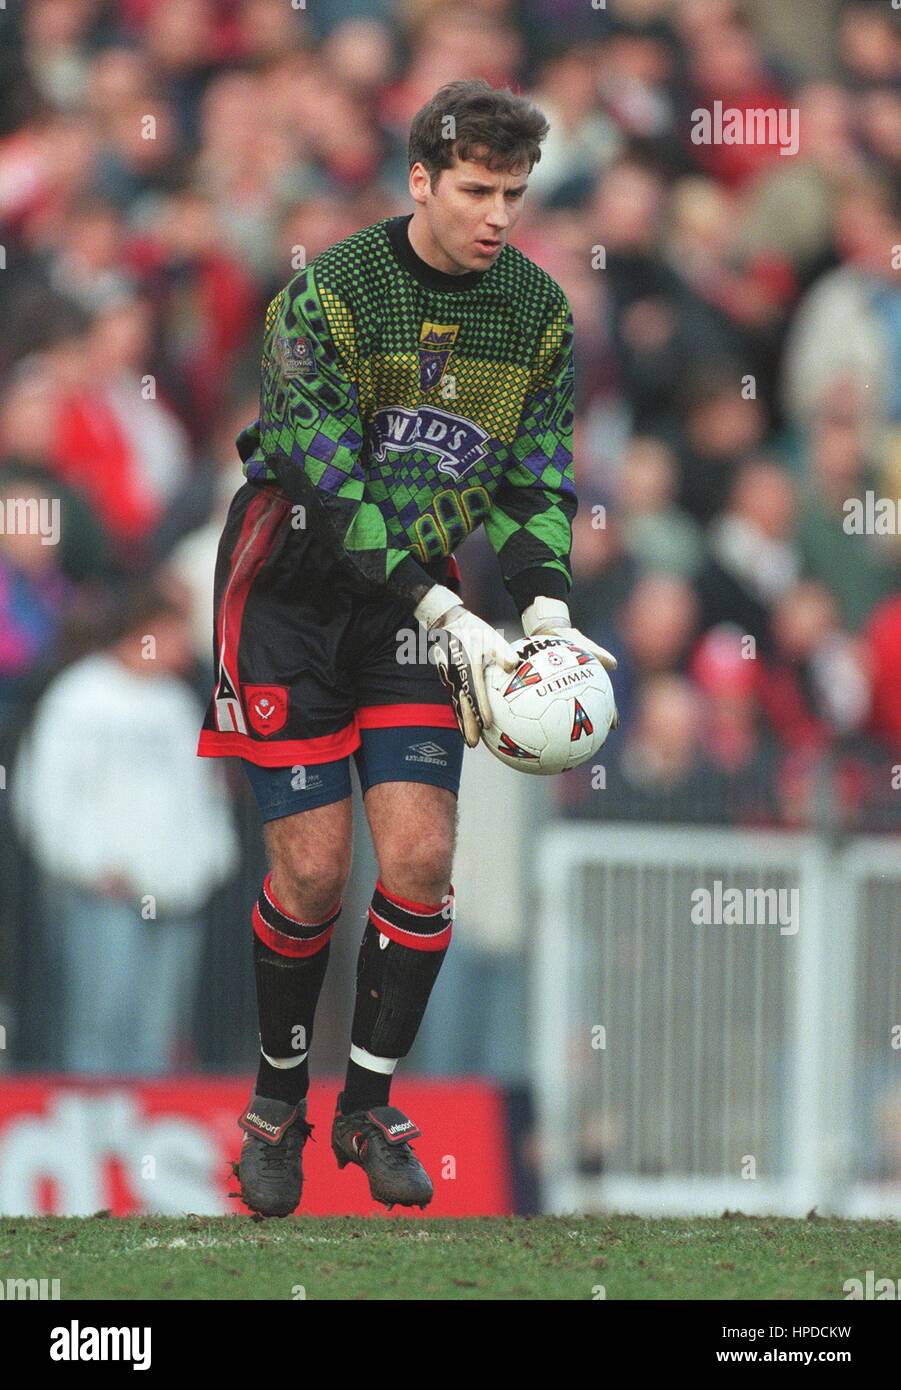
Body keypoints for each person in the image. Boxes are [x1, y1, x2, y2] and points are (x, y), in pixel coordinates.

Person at [197, 78, 616, 1217]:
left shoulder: (535, 310)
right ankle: (277, 1101)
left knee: (422, 860)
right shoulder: (327, 295)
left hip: (419, 604)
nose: (497, 214)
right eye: (475, 189)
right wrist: (448, 613)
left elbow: (535, 476)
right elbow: (328, 493)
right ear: (420, 180)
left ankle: (368, 1103)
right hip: (286, 589)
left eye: (515, 193)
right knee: (313, 869)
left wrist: (543, 611)